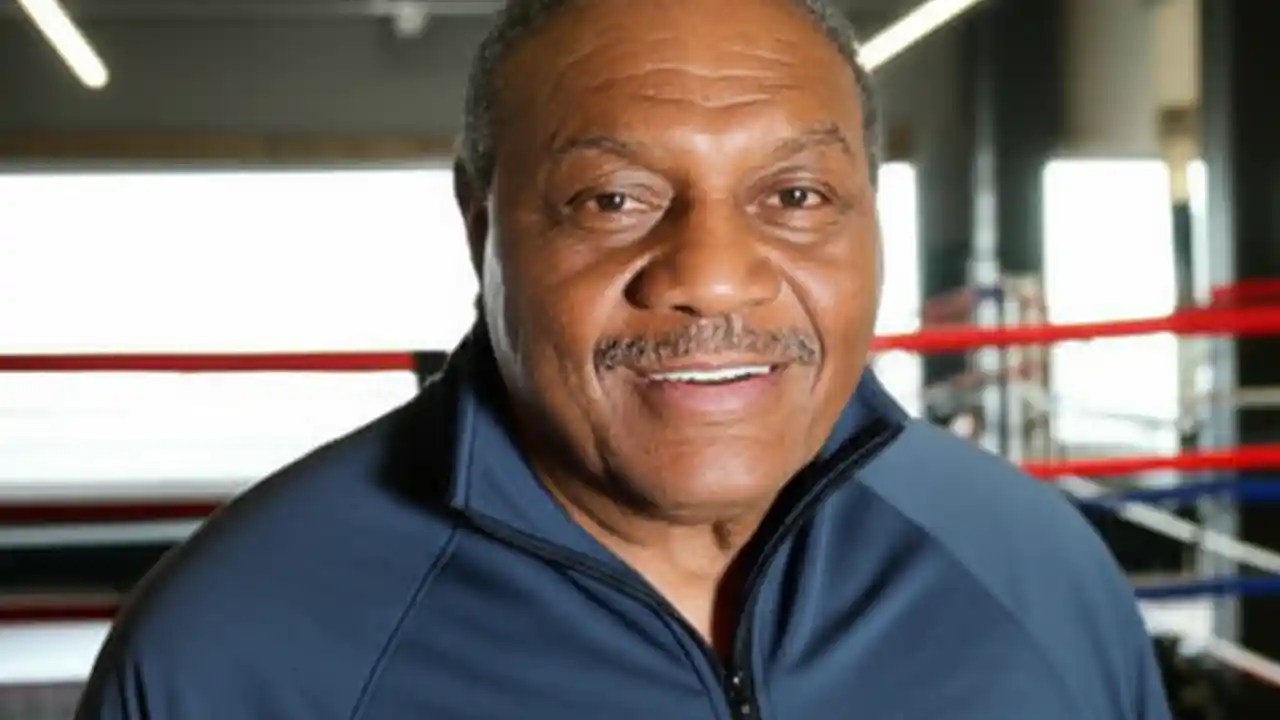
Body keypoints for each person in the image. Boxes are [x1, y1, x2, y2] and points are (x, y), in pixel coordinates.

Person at [76, 1, 1172, 718]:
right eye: (612, 199)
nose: (713, 274)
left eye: (793, 197)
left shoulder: (1033, 567)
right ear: (481, 229)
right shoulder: (233, 652)